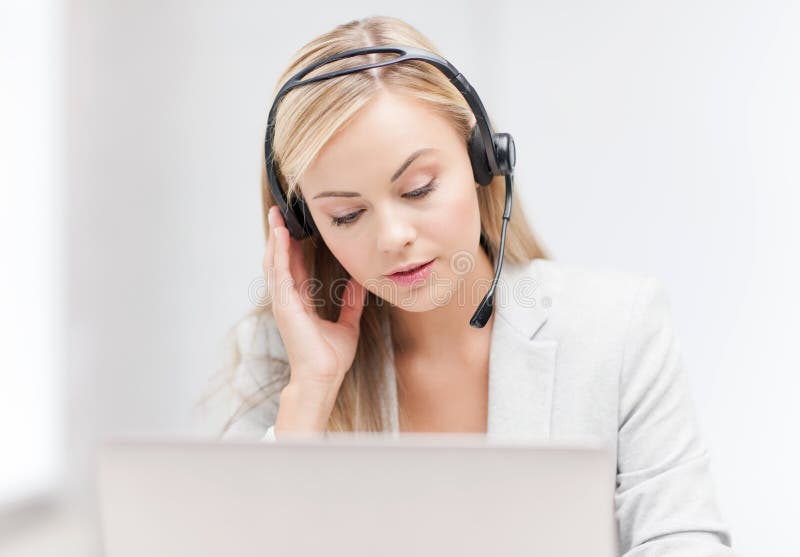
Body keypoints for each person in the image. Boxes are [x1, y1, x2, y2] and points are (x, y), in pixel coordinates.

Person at [215, 15, 737, 556]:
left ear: (483, 160)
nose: (393, 237)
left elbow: (684, 540)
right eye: (347, 215)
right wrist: (310, 398)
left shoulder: (618, 329)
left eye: (418, 189)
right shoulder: (284, 358)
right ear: (305, 228)